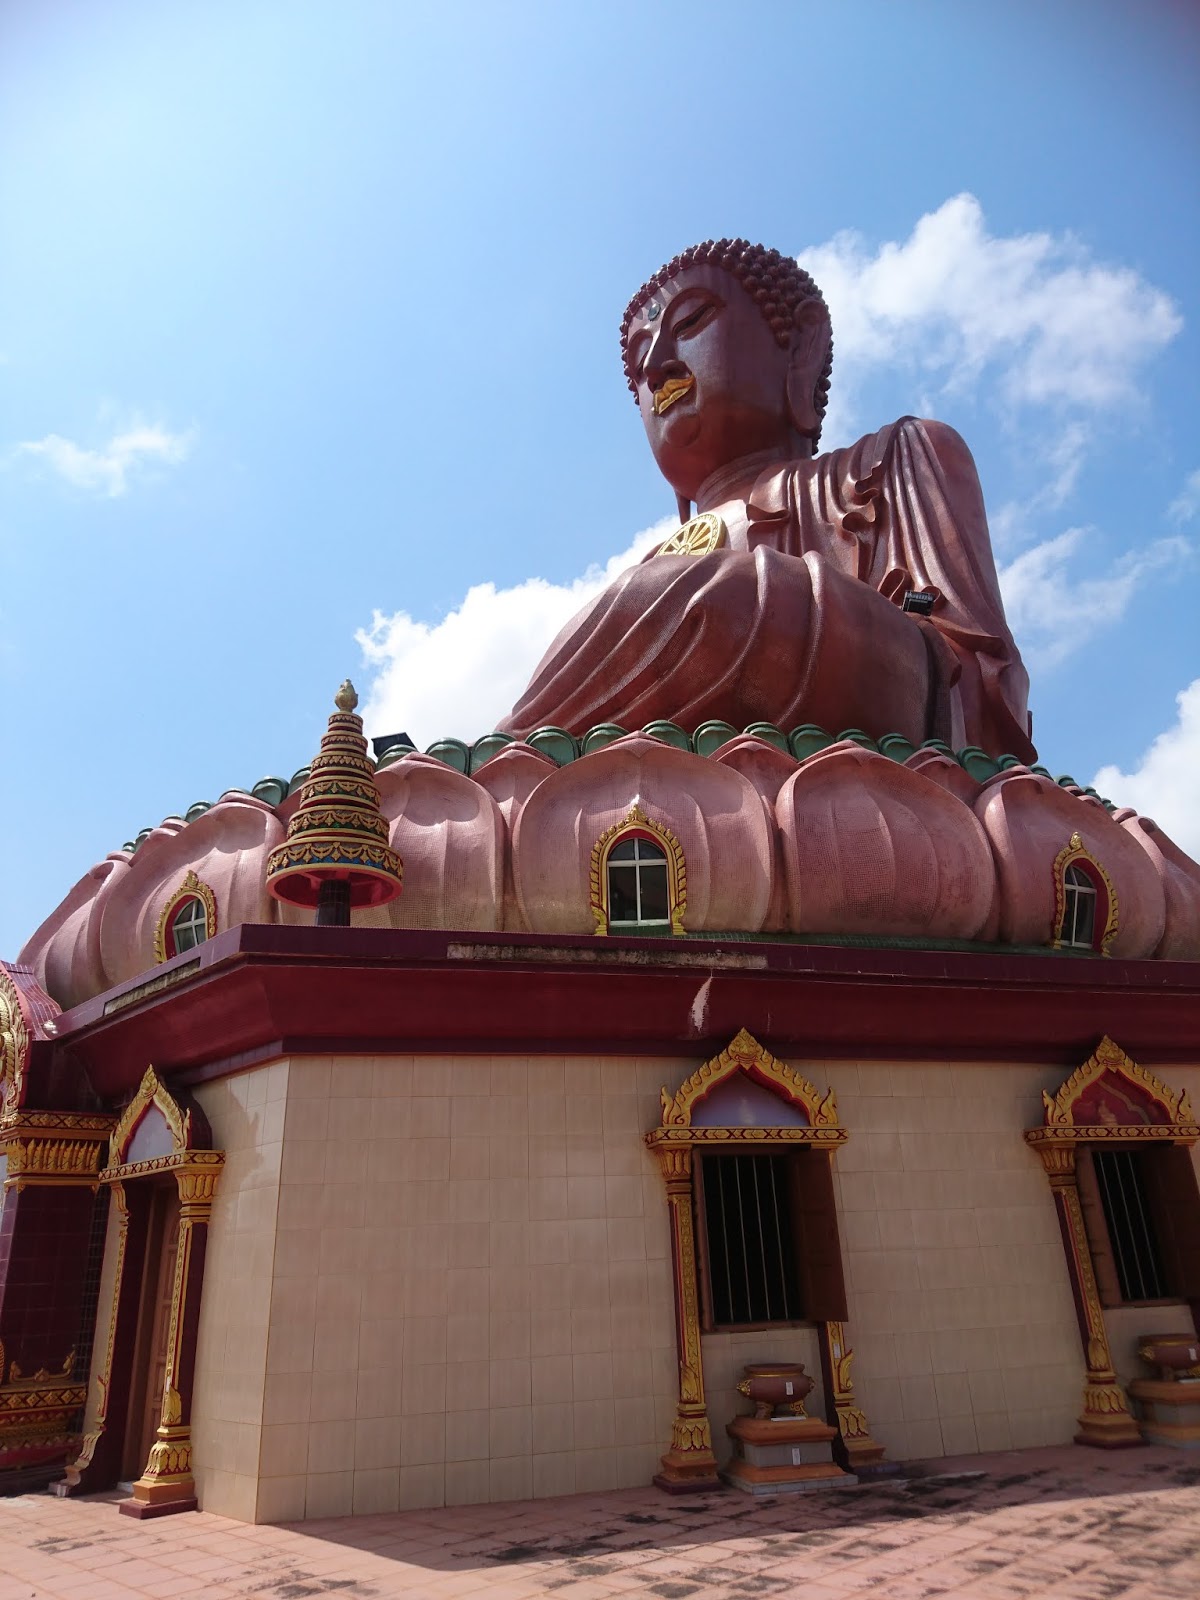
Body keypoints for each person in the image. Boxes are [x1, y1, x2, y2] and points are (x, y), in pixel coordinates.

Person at [500, 238, 1035, 761]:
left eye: (689, 324)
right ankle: (514, 762)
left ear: (801, 344)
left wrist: (762, 601)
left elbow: (974, 687)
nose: (659, 365)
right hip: (664, 809)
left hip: (866, 774)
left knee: (698, 596)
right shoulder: (647, 565)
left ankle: (507, 759)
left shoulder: (894, 459)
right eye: (641, 364)